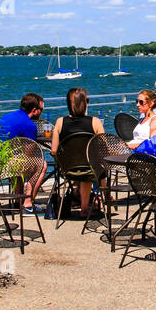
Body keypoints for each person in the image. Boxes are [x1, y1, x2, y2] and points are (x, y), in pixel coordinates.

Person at [49, 87, 105, 218]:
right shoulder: (95, 122)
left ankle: (74, 196)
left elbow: (53, 150)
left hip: (68, 169)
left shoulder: (60, 122)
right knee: (89, 170)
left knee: (84, 170)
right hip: (89, 169)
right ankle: (86, 207)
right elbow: (103, 146)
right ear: (85, 103)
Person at [127, 89, 156, 157]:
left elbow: (152, 143)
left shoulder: (155, 120)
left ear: (151, 104)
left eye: (141, 102)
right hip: (134, 151)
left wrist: (129, 145)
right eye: (137, 101)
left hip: (142, 154)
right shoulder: (142, 119)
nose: (137, 105)